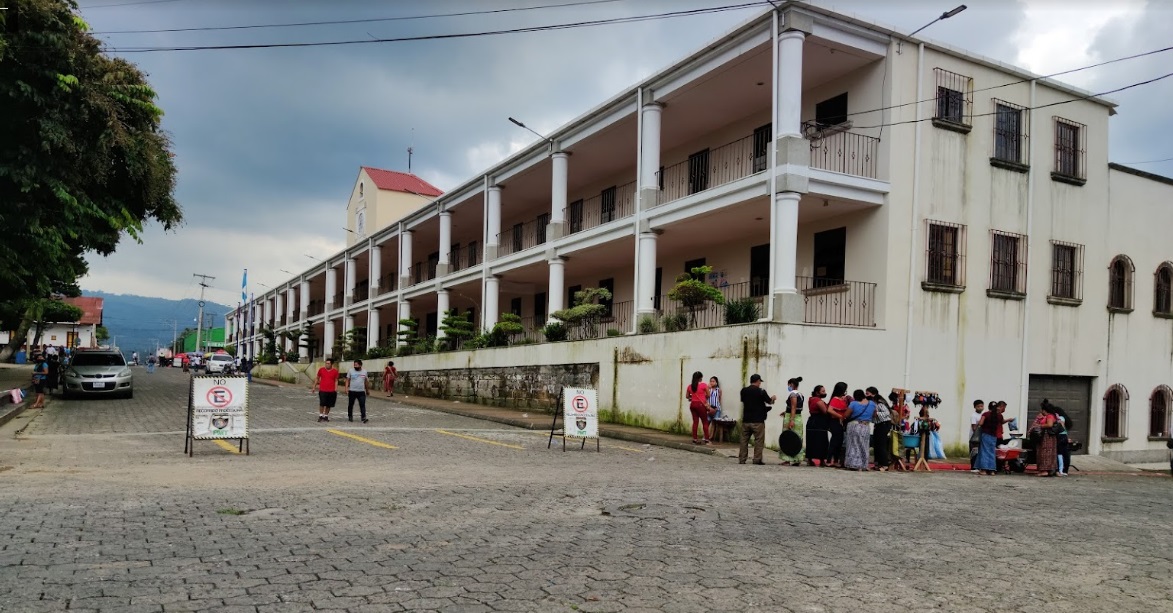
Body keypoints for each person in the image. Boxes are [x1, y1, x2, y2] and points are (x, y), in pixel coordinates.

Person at [738, 374, 775, 465]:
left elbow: (744, 401)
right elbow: (769, 401)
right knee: (758, 440)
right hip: (758, 421)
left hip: (746, 420)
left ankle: (742, 459)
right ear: (758, 381)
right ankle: (757, 459)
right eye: (760, 382)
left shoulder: (744, 391)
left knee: (744, 440)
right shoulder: (761, 391)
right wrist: (773, 398)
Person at [843, 389, 875, 471]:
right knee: (864, 445)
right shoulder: (872, 404)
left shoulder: (853, 404)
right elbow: (875, 414)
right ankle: (863, 464)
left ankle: (853, 464)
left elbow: (846, 415)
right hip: (866, 426)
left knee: (853, 445)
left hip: (854, 425)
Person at [778, 376, 805, 466]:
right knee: (797, 438)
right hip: (798, 417)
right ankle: (797, 459)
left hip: (792, 417)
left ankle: (787, 459)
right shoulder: (800, 394)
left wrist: (791, 420)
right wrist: (786, 411)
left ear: (792, 384)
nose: (788, 387)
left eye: (789, 385)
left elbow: (793, 407)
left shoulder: (793, 394)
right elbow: (797, 408)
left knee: (788, 438)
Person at [976, 402, 1008, 476]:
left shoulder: (986, 414)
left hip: (986, 435)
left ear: (988, 407)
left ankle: (984, 470)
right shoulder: (999, 415)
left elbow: (981, 423)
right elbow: (1002, 422)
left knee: (984, 452)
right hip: (994, 436)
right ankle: (992, 470)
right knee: (992, 452)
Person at [868, 387, 893, 471]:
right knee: (877, 444)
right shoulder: (873, 402)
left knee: (881, 444)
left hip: (884, 424)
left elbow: (887, 413)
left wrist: (876, 413)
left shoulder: (879, 402)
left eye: (867, 393)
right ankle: (878, 463)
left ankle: (884, 464)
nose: (866, 395)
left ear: (873, 394)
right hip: (878, 424)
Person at [1032, 401, 1059, 477]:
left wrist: (1040, 425)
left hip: (1047, 437)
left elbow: (1049, 424)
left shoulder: (1050, 416)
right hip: (1046, 437)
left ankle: (1045, 470)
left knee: (1045, 453)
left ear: (1045, 410)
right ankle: (1048, 470)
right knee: (1044, 453)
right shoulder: (1047, 416)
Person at [825, 382, 849, 467]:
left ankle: (835, 460)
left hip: (840, 422)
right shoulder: (835, 399)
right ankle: (829, 460)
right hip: (835, 421)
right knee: (835, 441)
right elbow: (830, 410)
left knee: (839, 441)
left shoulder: (842, 399)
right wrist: (840, 416)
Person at [805, 385, 830, 467]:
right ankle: (822, 460)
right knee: (821, 440)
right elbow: (825, 411)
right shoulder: (818, 401)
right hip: (819, 422)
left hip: (812, 421)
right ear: (817, 392)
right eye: (822, 391)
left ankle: (810, 459)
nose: (825, 393)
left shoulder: (811, 399)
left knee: (811, 440)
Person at [684, 371, 711, 445]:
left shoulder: (690, 386)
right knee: (705, 422)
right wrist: (703, 397)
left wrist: (692, 397)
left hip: (693, 405)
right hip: (701, 405)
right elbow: (708, 395)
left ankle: (695, 439)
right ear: (700, 378)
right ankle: (707, 439)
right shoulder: (703, 385)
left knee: (695, 422)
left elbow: (687, 396)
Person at [312, 358, 340, 422]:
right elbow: (317, 378)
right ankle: (321, 415)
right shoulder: (321, 370)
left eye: (328, 363)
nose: (327, 365)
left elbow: (336, 380)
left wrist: (336, 388)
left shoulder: (335, 371)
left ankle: (326, 416)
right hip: (322, 389)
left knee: (328, 404)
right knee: (322, 403)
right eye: (326, 363)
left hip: (331, 390)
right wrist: (314, 387)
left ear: (331, 364)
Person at [969, 400, 985, 472]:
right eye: (978, 406)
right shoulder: (973, 416)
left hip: (980, 436)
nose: (980, 408)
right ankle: (973, 467)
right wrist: (980, 423)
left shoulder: (983, 415)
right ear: (975, 407)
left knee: (979, 452)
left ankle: (978, 466)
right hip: (974, 437)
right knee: (974, 452)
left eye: (981, 406)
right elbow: (974, 427)